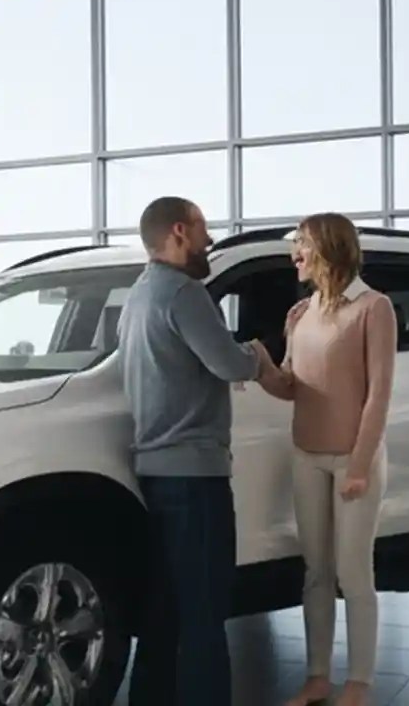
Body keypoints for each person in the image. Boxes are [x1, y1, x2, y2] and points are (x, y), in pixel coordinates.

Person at [118, 196, 274, 705]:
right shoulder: (185, 294)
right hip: (195, 476)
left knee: (163, 612)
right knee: (205, 614)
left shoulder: (138, 295)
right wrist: (258, 353)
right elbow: (229, 365)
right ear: (180, 231)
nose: (209, 239)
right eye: (204, 228)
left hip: (153, 473)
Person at [255, 213, 397, 706]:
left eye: (301, 245)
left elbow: (378, 395)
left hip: (353, 459)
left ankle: (359, 681)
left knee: (353, 572)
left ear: (328, 248)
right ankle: (318, 676)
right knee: (315, 571)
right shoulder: (301, 313)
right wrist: (262, 367)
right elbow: (292, 387)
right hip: (307, 456)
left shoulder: (373, 308)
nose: (294, 254)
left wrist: (359, 465)